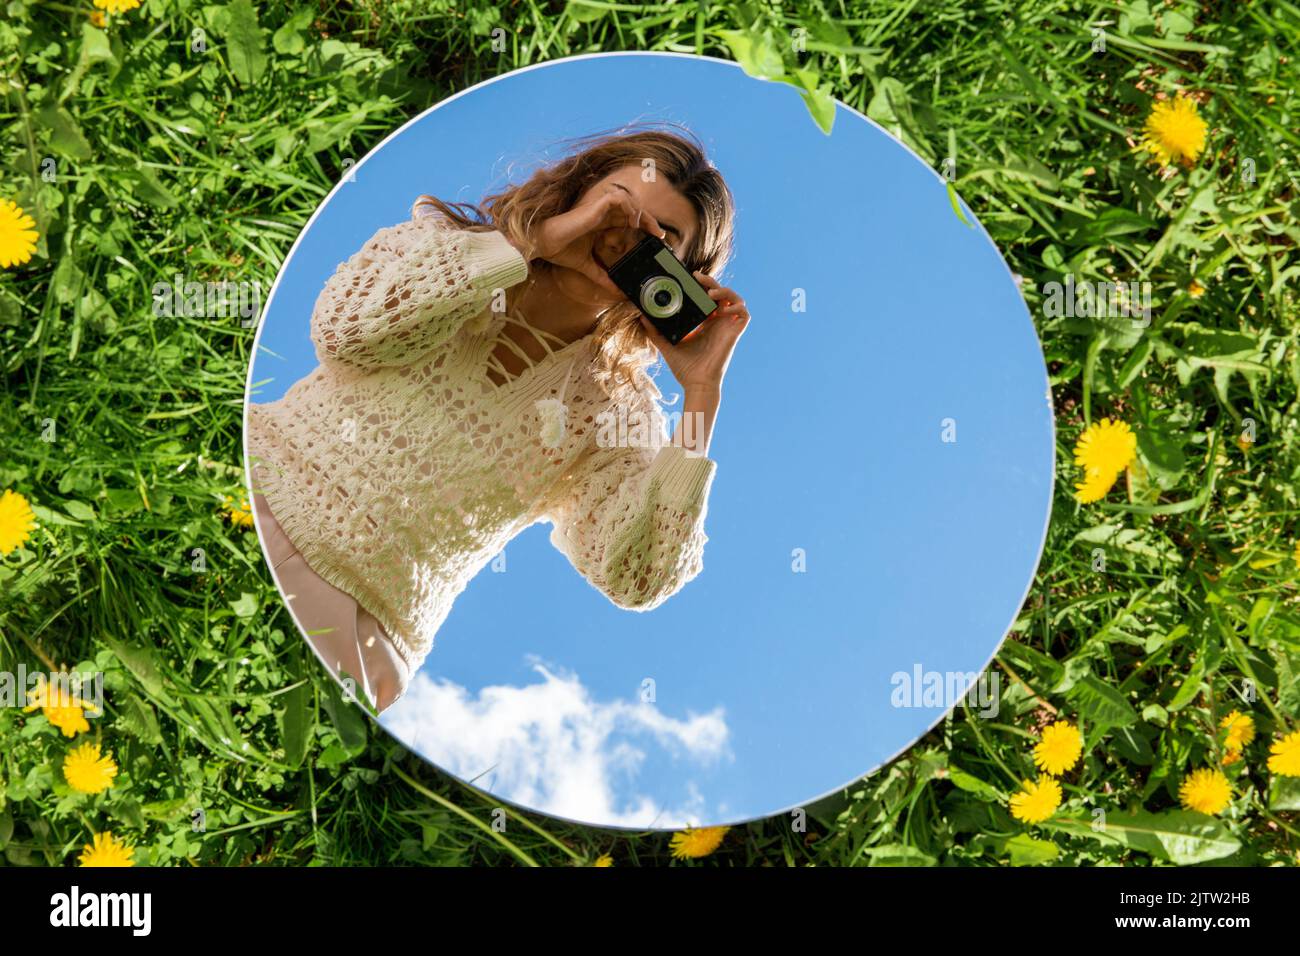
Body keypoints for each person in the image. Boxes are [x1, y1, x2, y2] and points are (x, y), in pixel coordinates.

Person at [246, 124, 750, 712]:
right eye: (618, 205)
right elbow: (346, 332)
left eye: (659, 236)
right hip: (255, 493)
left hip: (366, 631)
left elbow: (636, 577)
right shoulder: (447, 246)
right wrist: (526, 245)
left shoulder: (618, 412)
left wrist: (700, 394)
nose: (625, 235)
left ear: (684, 276)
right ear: (581, 191)